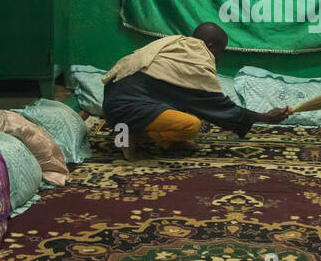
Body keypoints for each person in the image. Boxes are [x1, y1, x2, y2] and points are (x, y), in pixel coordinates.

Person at [101, 23, 291, 160]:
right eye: (220, 51)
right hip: (126, 110)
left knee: (183, 106)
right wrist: (264, 117)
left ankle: (126, 132)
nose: (218, 58)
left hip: (111, 106)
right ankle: (135, 135)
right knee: (191, 125)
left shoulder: (172, 44)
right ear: (209, 46)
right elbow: (218, 107)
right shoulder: (197, 59)